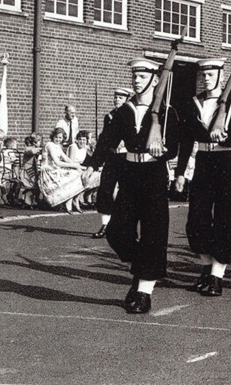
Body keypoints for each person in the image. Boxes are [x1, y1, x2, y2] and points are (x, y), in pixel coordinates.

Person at [84, 58, 179, 314]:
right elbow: (107, 140)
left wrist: (163, 152)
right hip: (129, 174)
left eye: (141, 76)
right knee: (117, 232)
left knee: (152, 234)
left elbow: (174, 147)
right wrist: (93, 165)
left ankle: (144, 292)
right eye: (134, 76)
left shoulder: (168, 112)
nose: (136, 80)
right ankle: (144, 268)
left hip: (154, 175)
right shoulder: (124, 111)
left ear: (155, 80)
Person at [175, 59, 231, 296]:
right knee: (196, 220)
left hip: (225, 162)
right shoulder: (193, 103)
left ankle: (217, 274)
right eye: (203, 74)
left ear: (221, 75)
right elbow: (185, 141)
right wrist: (180, 173)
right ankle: (206, 266)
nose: (206, 78)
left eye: (211, 74)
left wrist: (223, 136)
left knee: (225, 219)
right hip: (203, 162)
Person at [92, 88, 132, 239]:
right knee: (105, 189)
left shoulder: (132, 114)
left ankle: (125, 225)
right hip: (113, 157)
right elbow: (105, 138)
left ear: (127, 99)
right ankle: (105, 224)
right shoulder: (109, 117)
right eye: (115, 97)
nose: (117, 100)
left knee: (127, 192)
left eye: (120, 98)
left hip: (128, 157)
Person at [38, 128, 85, 213]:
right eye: (57, 137)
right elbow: (57, 162)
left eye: (60, 138)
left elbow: (66, 158)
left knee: (78, 173)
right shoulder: (49, 145)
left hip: (56, 169)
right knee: (73, 175)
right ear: (53, 137)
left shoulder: (58, 146)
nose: (58, 139)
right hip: (49, 171)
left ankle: (74, 199)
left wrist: (80, 167)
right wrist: (74, 165)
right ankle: (69, 200)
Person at [68, 130, 98, 211]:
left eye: (84, 140)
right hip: (71, 167)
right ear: (77, 140)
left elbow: (94, 158)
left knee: (96, 174)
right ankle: (76, 199)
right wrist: (81, 169)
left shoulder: (85, 148)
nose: (82, 142)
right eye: (80, 139)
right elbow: (71, 162)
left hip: (80, 167)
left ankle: (86, 197)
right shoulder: (73, 147)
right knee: (82, 175)